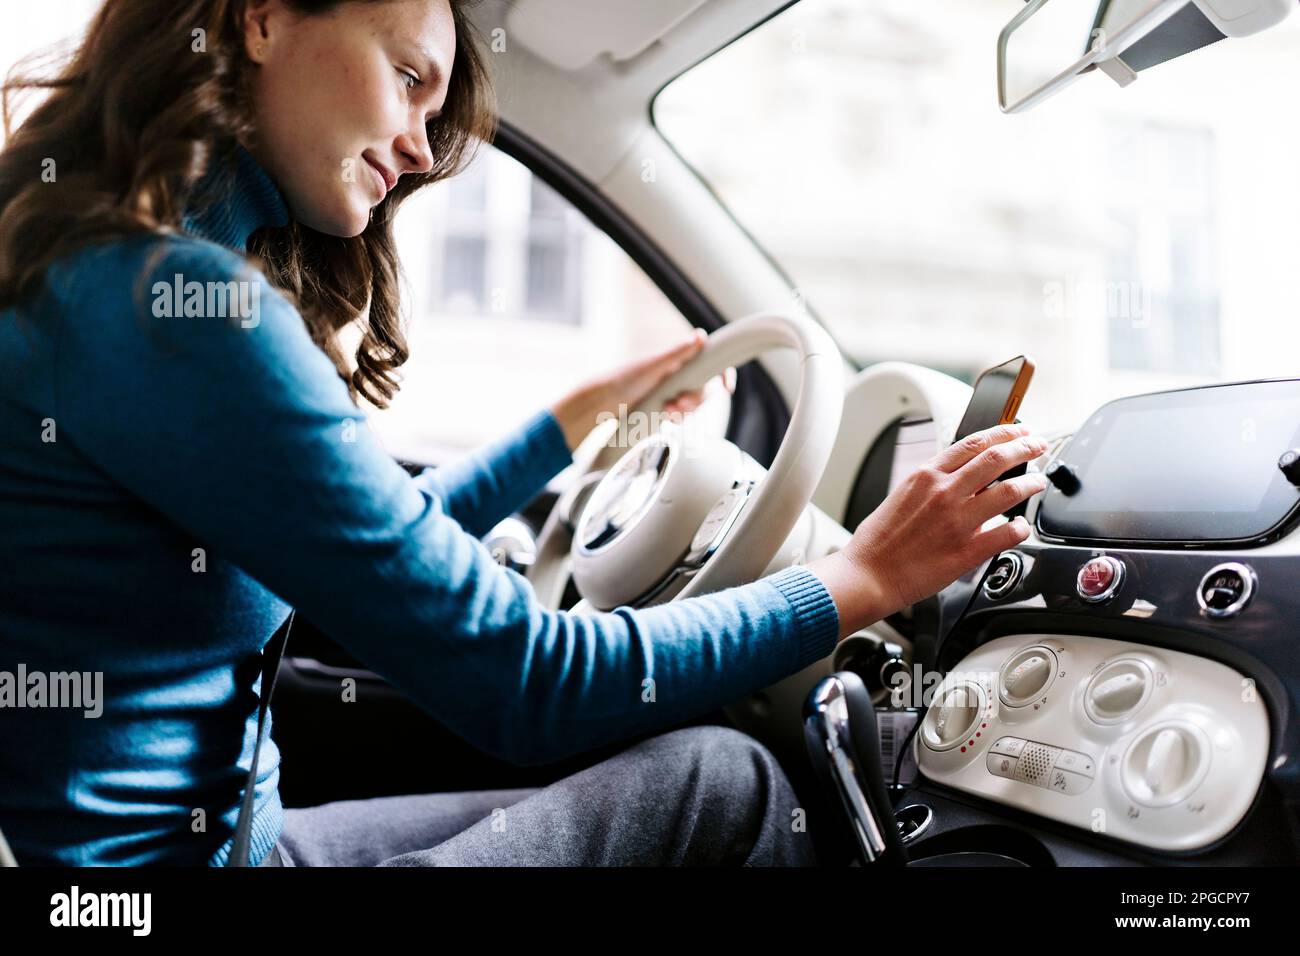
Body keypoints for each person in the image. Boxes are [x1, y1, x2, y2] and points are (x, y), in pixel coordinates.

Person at [0, 0, 1050, 866]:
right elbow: (528, 684)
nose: (419, 144)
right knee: (727, 784)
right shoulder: (177, 303)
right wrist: (863, 575)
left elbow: (361, 556)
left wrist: (570, 424)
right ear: (263, 19)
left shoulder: (117, 269)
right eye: (408, 76)